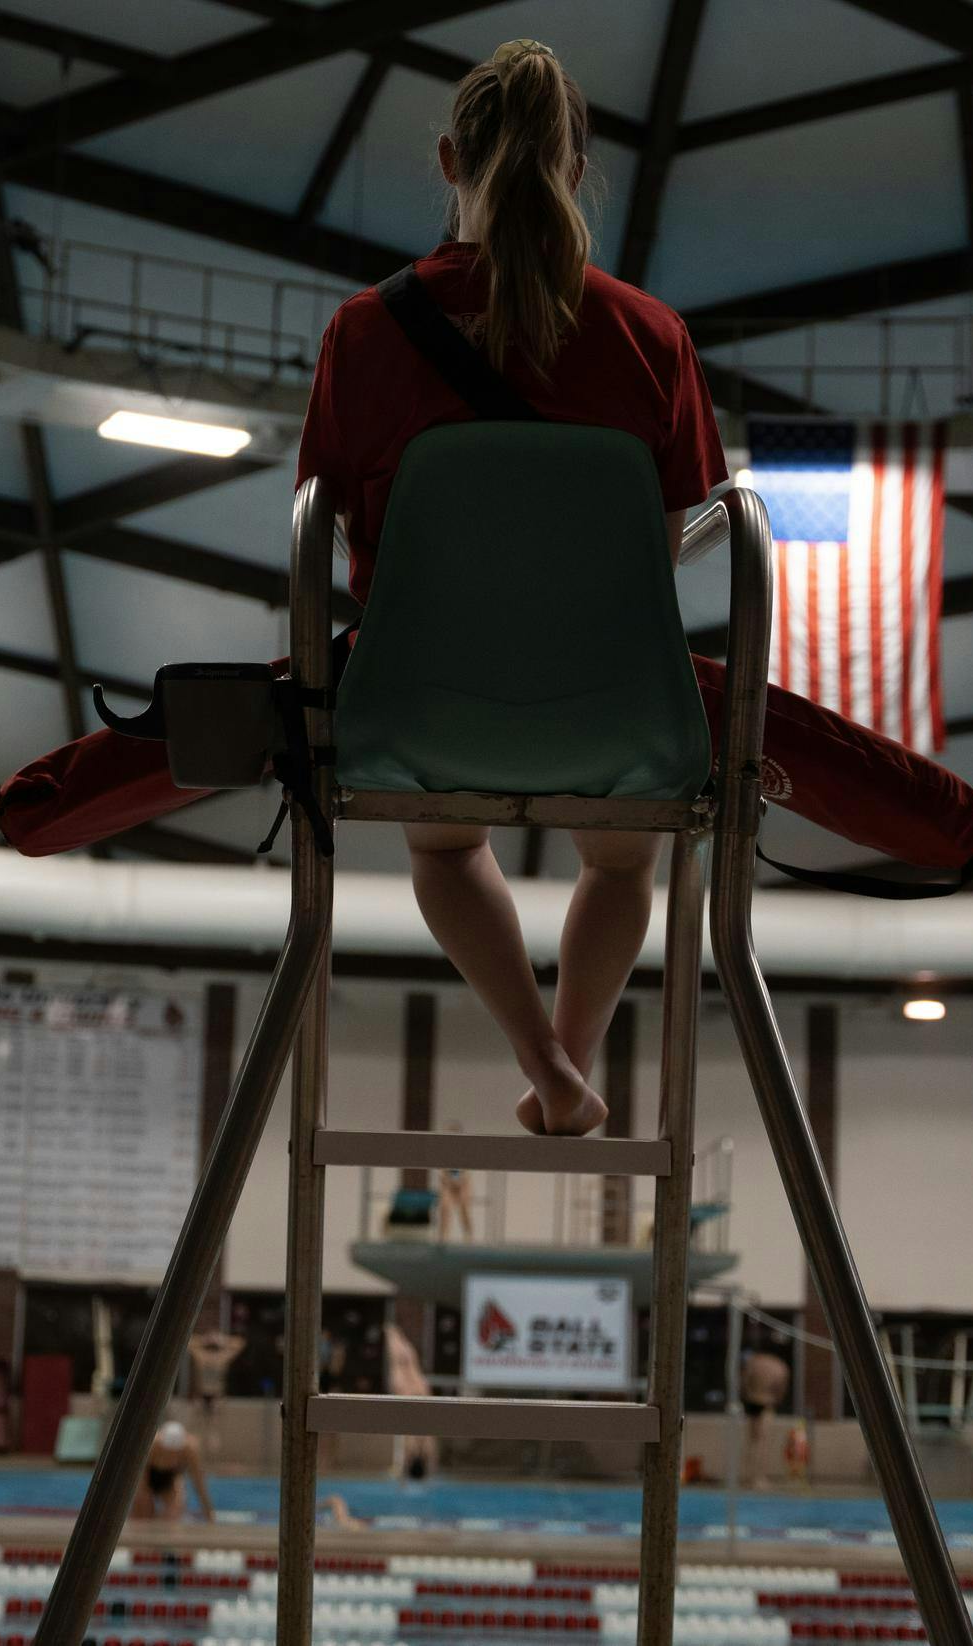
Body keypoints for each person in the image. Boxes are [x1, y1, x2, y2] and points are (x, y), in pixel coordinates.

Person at [295, 39, 728, 1138]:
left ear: (450, 160)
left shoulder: (363, 332)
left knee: (443, 843)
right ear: (575, 170)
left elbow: (334, 526)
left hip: (422, 702)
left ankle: (545, 1059)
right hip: (614, 706)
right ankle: (564, 1067)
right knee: (622, 856)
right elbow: (665, 544)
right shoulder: (650, 336)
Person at [384, 1322, 438, 1481]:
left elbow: (432, 1461)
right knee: (400, 1362)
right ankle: (392, 1333)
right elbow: (426, 1460)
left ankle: (393, 1333)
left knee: (409, 1362)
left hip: (420, 1398)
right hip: (409, 1398)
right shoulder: (417, 1445)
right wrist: (402, 1477)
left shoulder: (426, 1444)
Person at [132, 1419, 213, 1523]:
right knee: (142, 1511)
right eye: (167, 1453)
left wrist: (209, 1514)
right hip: (149, 1476)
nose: (170, 1457)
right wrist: (143, 1498)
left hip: (171, 1478)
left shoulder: (190, 1450)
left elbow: (199, 1482)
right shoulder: (151, 1445)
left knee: (174, 1511)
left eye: (175, 1454)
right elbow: (139, 1477)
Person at [740, 1342, 791, 1489]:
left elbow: (744, 1383)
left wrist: (748, 1395)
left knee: (751, 1443)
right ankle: (759, 1478)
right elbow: (781, 1389)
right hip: (766, 1403)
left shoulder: (753, 1362)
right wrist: (776, 1399)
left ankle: (749, 1477)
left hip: (752, 1402)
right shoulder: (778, 1366)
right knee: (762, 1444)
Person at [187, 1327, 245, 1451]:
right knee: (197, 1423)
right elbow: (189, 1342)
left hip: (217, 1395)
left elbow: (240, 1343)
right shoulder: (201, 1356)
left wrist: (222, 1340)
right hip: (201, 1394)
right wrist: (205, 1339)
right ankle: (196, 1444)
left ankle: (213, 1441)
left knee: (215, 1424)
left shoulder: (222, 1358)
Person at [438, 1125, 474, 1241]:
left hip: (463, 1183)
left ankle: (469, 1238)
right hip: (447, 1184)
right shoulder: (442, 1152)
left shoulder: (465, 1151)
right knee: (445, 1207)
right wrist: (448, 1181)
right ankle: (442, 1239)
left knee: (464, 1208)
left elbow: (468, 1170)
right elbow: (440, 1171)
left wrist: (461, 1181)